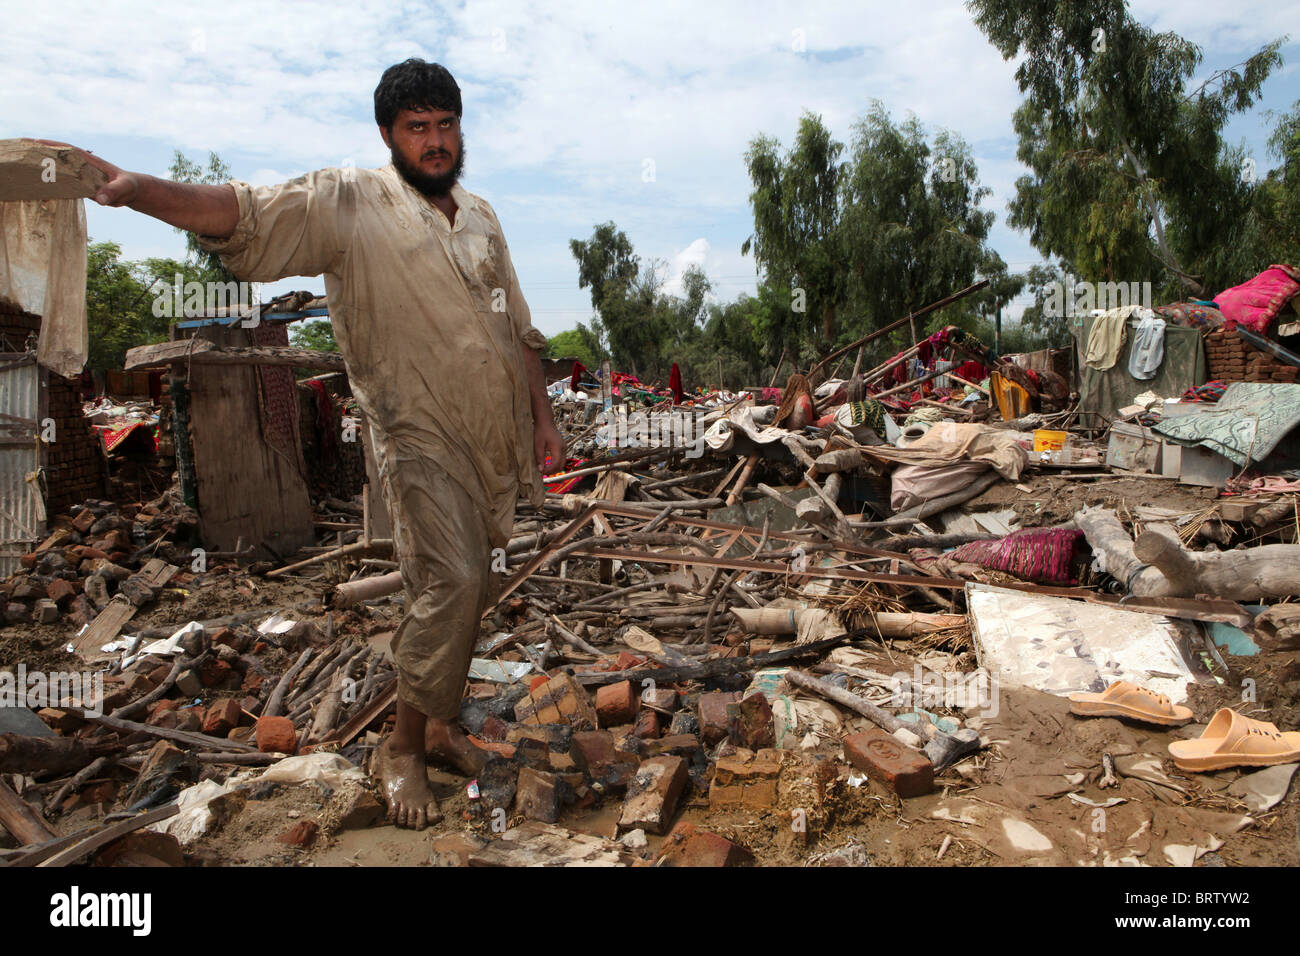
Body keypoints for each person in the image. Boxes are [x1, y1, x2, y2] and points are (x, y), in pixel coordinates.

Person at [42, 58, 565, 829]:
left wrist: (543, 419)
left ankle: (443, 723)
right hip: (415, 434)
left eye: (445, 125)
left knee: (468, 589)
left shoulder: (482, 215)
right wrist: (139, 190)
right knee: (452, 581)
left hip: (495, 440)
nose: (435, 142)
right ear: (388, 135)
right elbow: (247, 211)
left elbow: (519, 328)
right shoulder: (352, 201)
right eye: (417, 128)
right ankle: (402, 748)